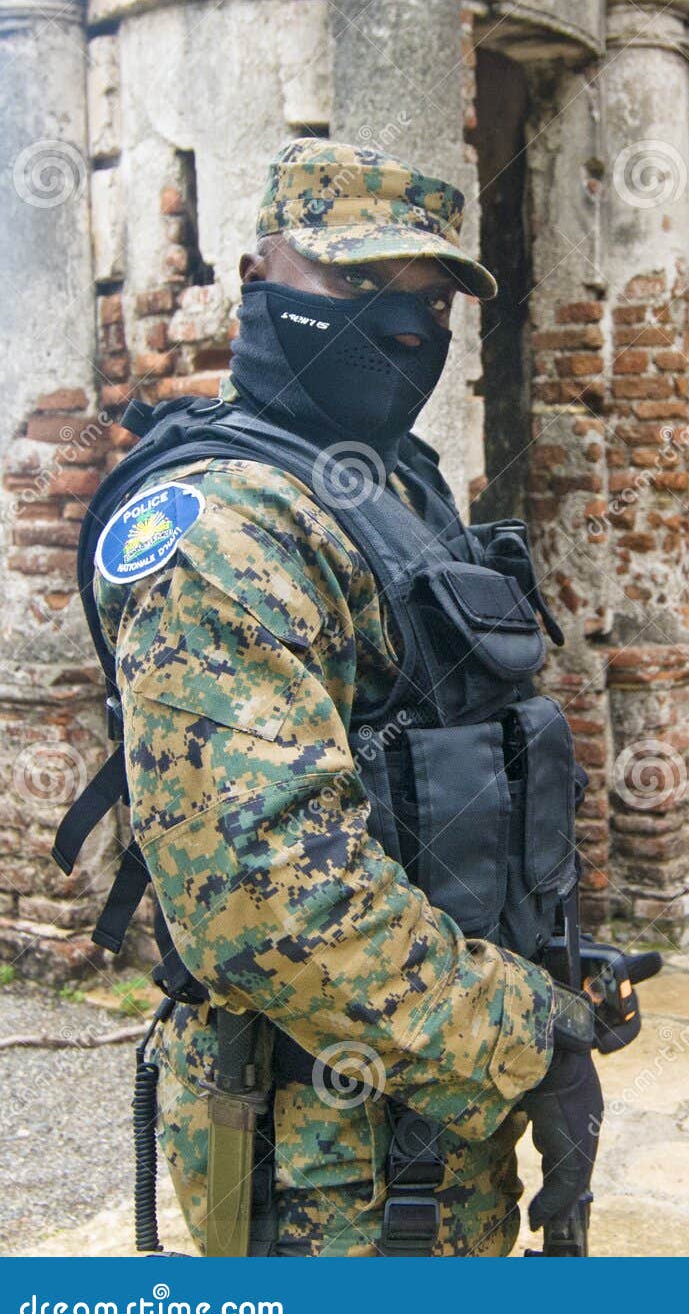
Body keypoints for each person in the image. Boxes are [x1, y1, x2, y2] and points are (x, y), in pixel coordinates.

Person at [59, 139, 604, 1256]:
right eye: (355, 283)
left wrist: (549, 973)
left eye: (430, 297)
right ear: (258, 279)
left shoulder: (395, 480)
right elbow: (272, 912)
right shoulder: (222, 529)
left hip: (437, 1104)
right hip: (322, 1161)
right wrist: (531, 1033)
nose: (403, 326)